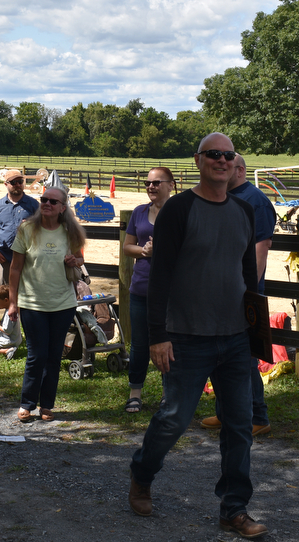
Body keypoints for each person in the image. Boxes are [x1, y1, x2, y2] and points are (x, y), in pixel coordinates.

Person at [128, 133, 268, 539]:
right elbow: (161, 277)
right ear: (199, 160)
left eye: (228, 155)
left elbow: (247, 275)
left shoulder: (243, 211)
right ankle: (142, 473)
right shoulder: (179, 209)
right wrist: (158, 336)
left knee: (240, 423)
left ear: (234, 163)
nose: (221, 161)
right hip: (186, 336)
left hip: (236, 337)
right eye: (213, 155)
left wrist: (255, 328)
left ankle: (234, 508)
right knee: (174, 418)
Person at [201, 153, 275, 436]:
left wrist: (246, 293)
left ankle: (257, 416)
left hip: (242, 295)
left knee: (243, 358)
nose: (221, 168)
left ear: (240, 170)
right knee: (219, 354)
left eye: (228, 164)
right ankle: (226, 411)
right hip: (218, 291)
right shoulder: (224, 198)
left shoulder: (255, 201)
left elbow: (261, 248)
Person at [8, 186, 86, 423]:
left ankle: (47, 405)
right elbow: (15, 268)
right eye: (43, 199)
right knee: (36, 355)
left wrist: (76, 259)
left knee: (53, 356)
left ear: (63, 208)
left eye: (53, 201)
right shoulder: (27, 229)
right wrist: (13, 302)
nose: (47, 203)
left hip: (63, 304)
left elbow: (81, 259)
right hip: (32, 303)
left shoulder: (69, 231)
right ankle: (27, 404)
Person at [122, 167, 175, 413]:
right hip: (141, 288)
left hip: (172, 291)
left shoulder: (180, 212)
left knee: (169, 342)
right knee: (140, 343)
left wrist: (163, 249)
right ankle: (135, 392)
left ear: (171, 185)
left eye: (157, 183)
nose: (151, 187)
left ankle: (168, 393)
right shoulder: (139, 212)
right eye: (148, 183)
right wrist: (144, 251)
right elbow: (127, 246)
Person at [0, 169, 39, 287]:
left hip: (28, 259)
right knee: (4, 294)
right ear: (6, 184)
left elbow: (43, 229)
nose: (18, 185)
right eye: (13, 182)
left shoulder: (34, 205)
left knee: (28, 293)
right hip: (5, 257)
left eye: (20, 181)